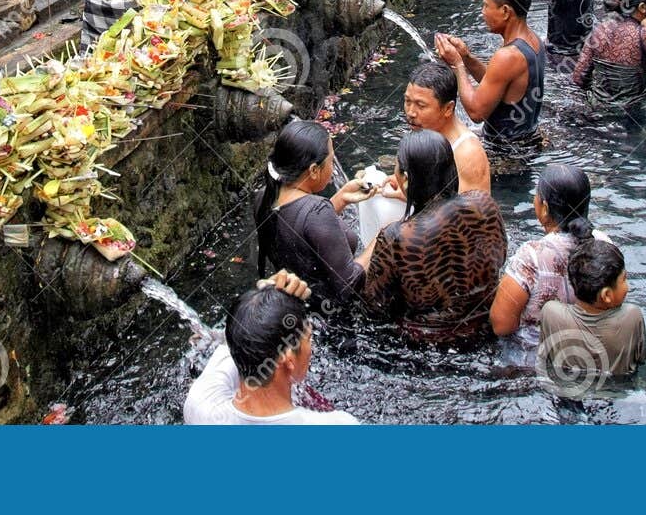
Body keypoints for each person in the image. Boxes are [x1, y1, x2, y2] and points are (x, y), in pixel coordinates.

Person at [361, 131, 507, 344]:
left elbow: (374, 308)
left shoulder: (396, 237)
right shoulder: (484, 205)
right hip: (486, 328)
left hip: (427, 343)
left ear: (406, 178)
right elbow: (500, 259)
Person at [184, 270, 360, 425]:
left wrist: (265, 301)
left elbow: (236, 338)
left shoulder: (200, 407)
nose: (311, 347)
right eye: (309, 337)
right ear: (289, 358)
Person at [254, 120, 379, 309]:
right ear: (313, 170)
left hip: (297, 306)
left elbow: (300, 234)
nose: (333, 165)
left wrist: (340, 199)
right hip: (331, 316)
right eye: (331, 160)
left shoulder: (263, 196)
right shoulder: (317, 211)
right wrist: (383, 236)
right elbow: (349, 285)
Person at [489, 164, 604, 336]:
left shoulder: (532, 256)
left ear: (545, 208)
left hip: (534, 356)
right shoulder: (604, 243)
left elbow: (501, 325)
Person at [434, 0, 545, 147]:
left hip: (505, 151)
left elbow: (476, 112)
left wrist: (457, 64)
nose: (482, 12)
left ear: (506, 11)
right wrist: (466, 57)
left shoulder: (508, 56)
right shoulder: (534, 40)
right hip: (527, 139)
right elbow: (499, 83)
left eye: (486, 6)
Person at [537, 239, 646, 388]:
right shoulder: (632, 316)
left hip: (568, 392)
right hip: (617, 393)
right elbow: (641, 360)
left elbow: (545, 360)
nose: (628, 287)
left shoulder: (550, 313)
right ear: (606, 295)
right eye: (624, 279)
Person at [403, 61, 489, 194]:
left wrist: (405, 194)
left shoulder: (467, 154)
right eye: (408, 101)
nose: (411, 113)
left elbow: (472, 212)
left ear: (448, 108)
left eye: (421, 105)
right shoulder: (424, 130)